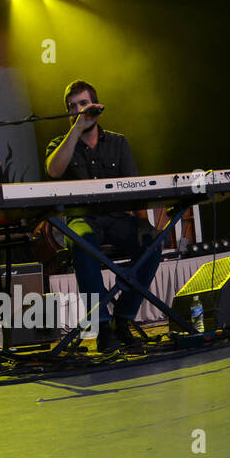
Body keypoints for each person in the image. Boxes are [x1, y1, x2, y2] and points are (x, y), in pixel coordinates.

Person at [45, 80, 158, 352]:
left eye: (83, 104)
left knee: (153, 244)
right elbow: (54, 171)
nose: (78, 110)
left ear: (95, 105)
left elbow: (135, 188)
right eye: (72, 107)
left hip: (117, 219)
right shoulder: (60, 144)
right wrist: (76, 130)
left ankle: (124, 316)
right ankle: (103, 325)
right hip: (82, 221)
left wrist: (143, 220)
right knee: (82, 243)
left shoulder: (118, 142)